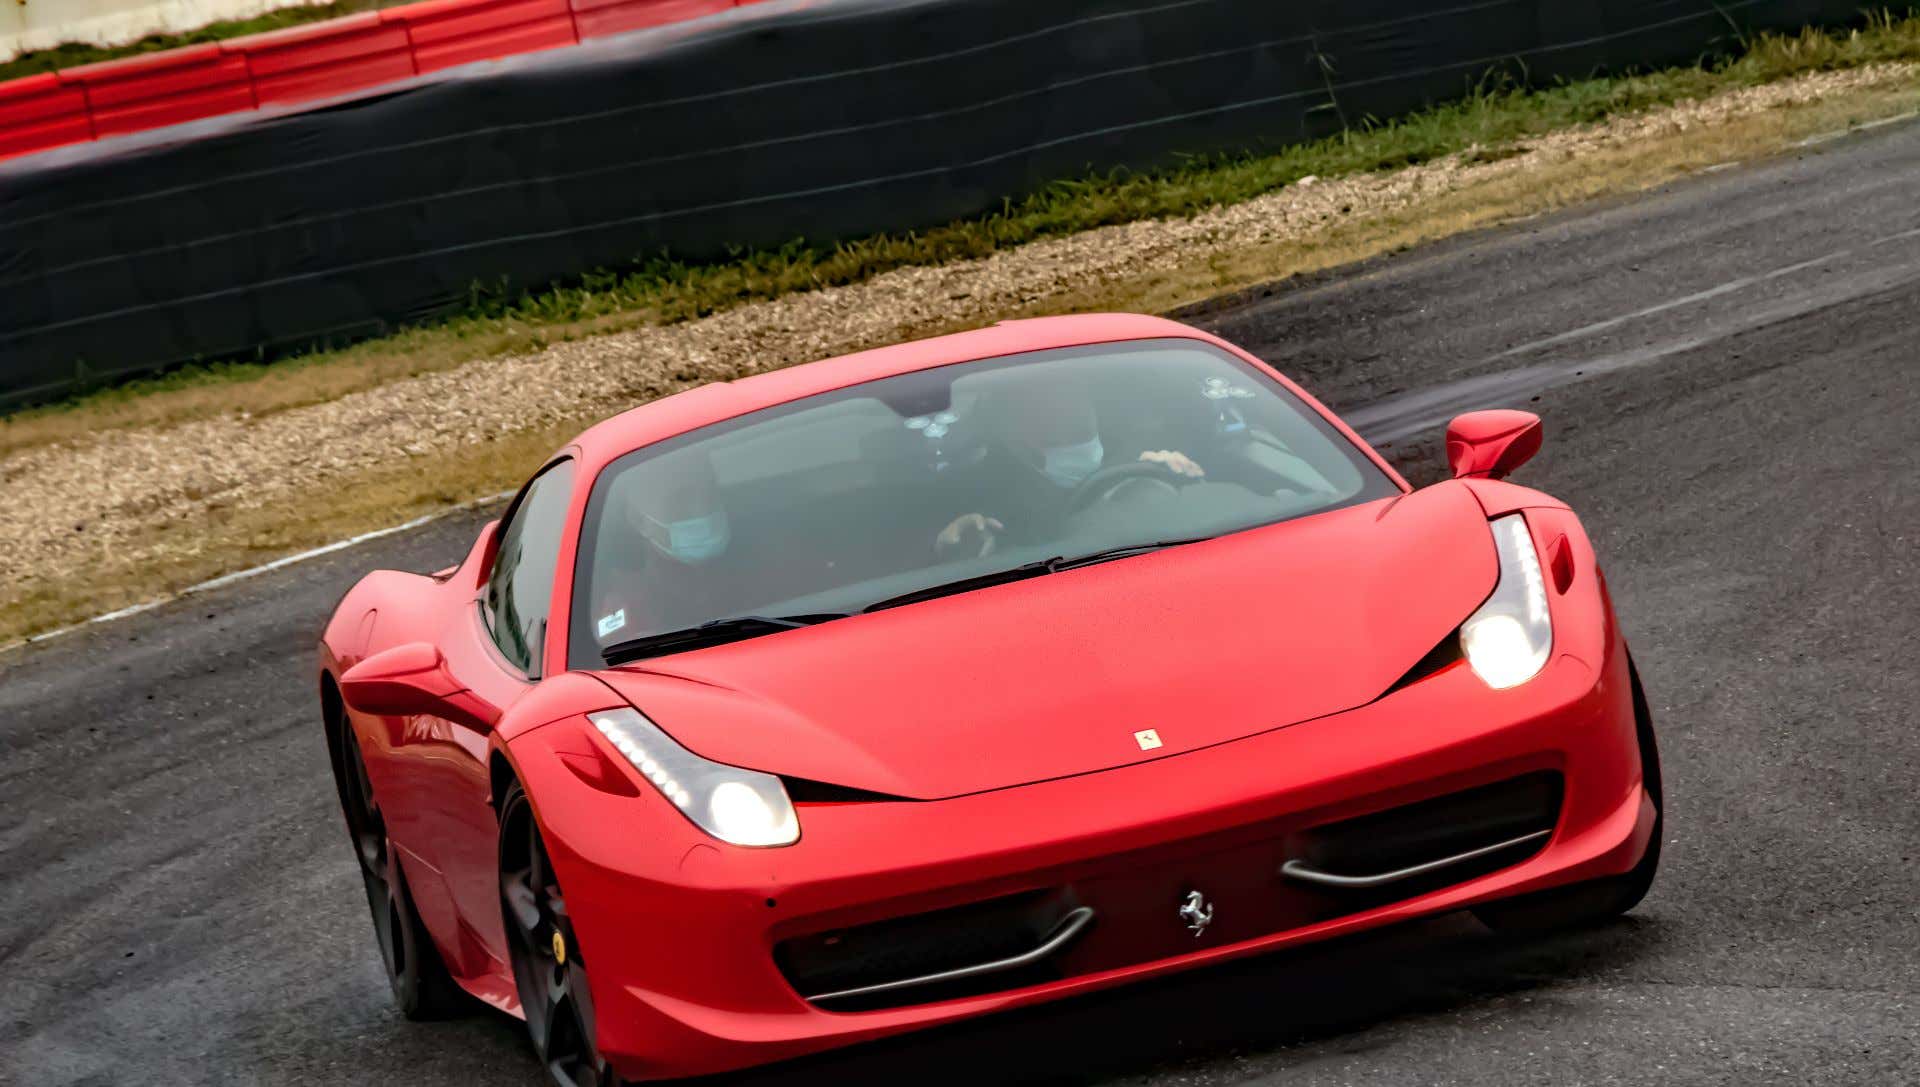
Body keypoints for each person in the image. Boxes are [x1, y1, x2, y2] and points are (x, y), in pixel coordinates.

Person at [933, 373, 1205, 560]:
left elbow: (1207, 518)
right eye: (1051, 437)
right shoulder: (977, 498)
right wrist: (952, 546)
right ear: (1012, 442)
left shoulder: (1143, 462)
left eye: (1078, 429)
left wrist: (1186, 480)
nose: (1069, 441)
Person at [586, 448, 767, 645]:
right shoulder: (624, 611)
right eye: (681, 502)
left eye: (710, 494)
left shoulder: (765, 565)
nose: (703, 511)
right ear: (639, 520)